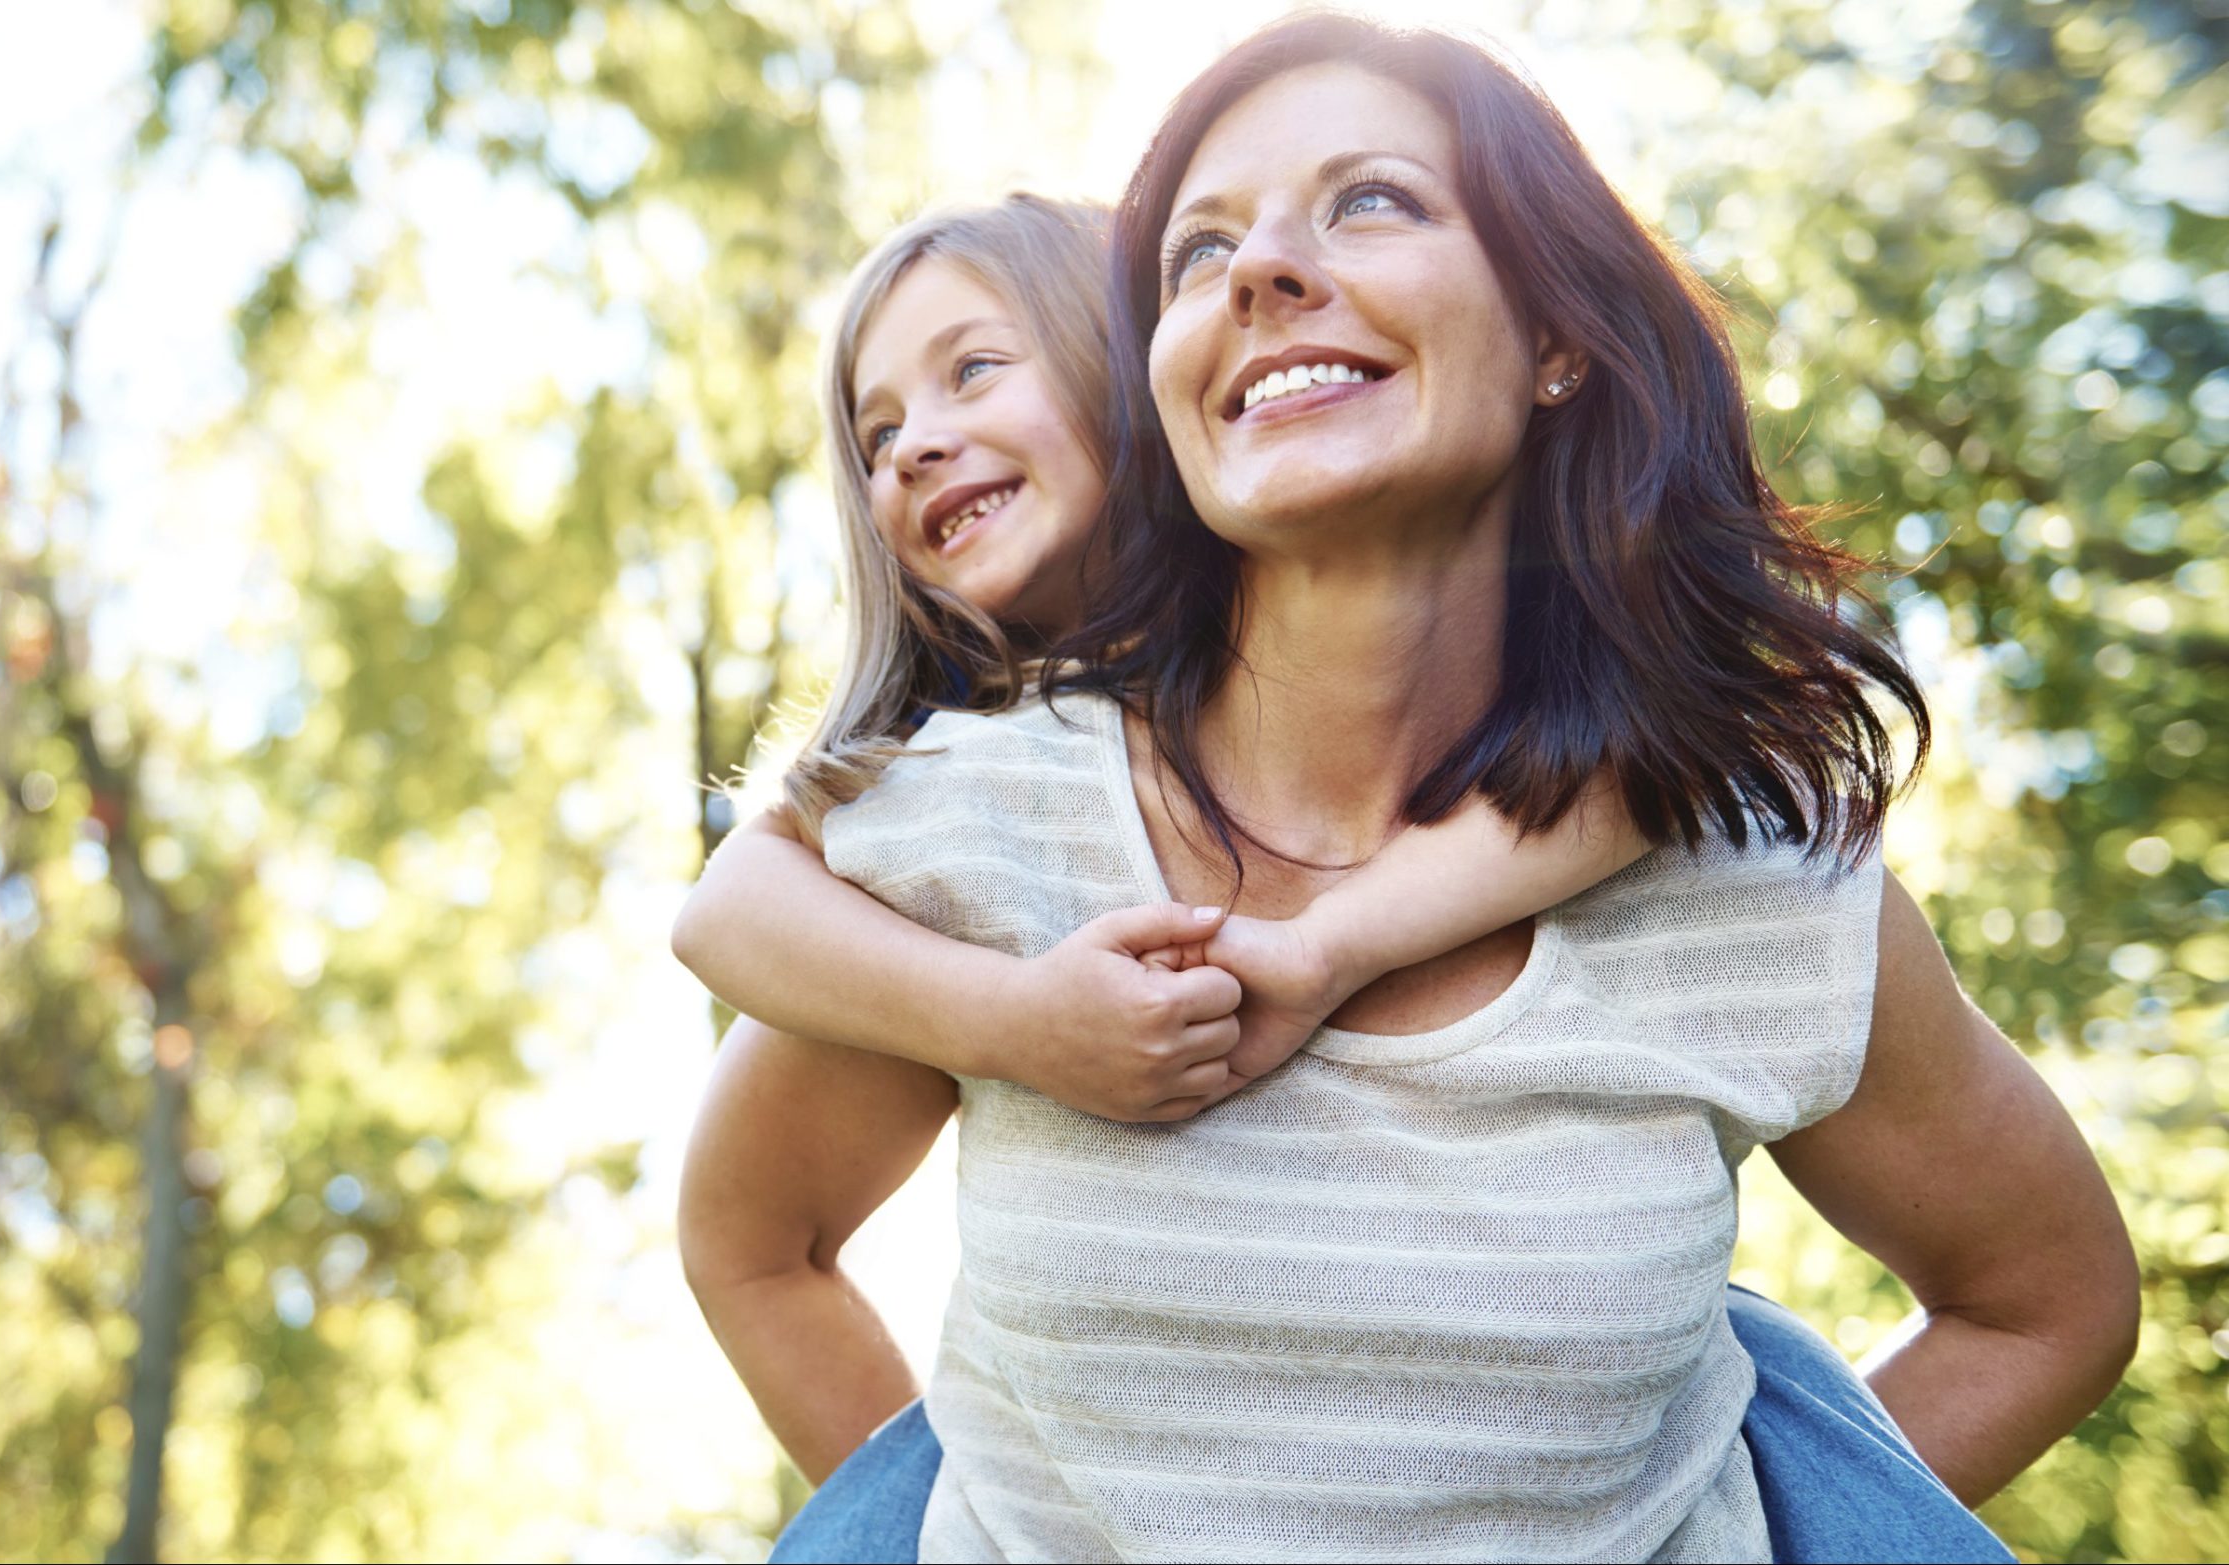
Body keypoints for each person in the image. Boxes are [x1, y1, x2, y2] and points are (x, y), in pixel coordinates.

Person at [689, 28, 2136, 1548]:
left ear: (1557, 334)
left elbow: (2046, 1305)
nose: (1259, 270)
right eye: (1198, 252)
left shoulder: (1744, 871)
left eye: (1369, 199)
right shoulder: (971, 823)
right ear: (1164, 400)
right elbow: (753, 1221)